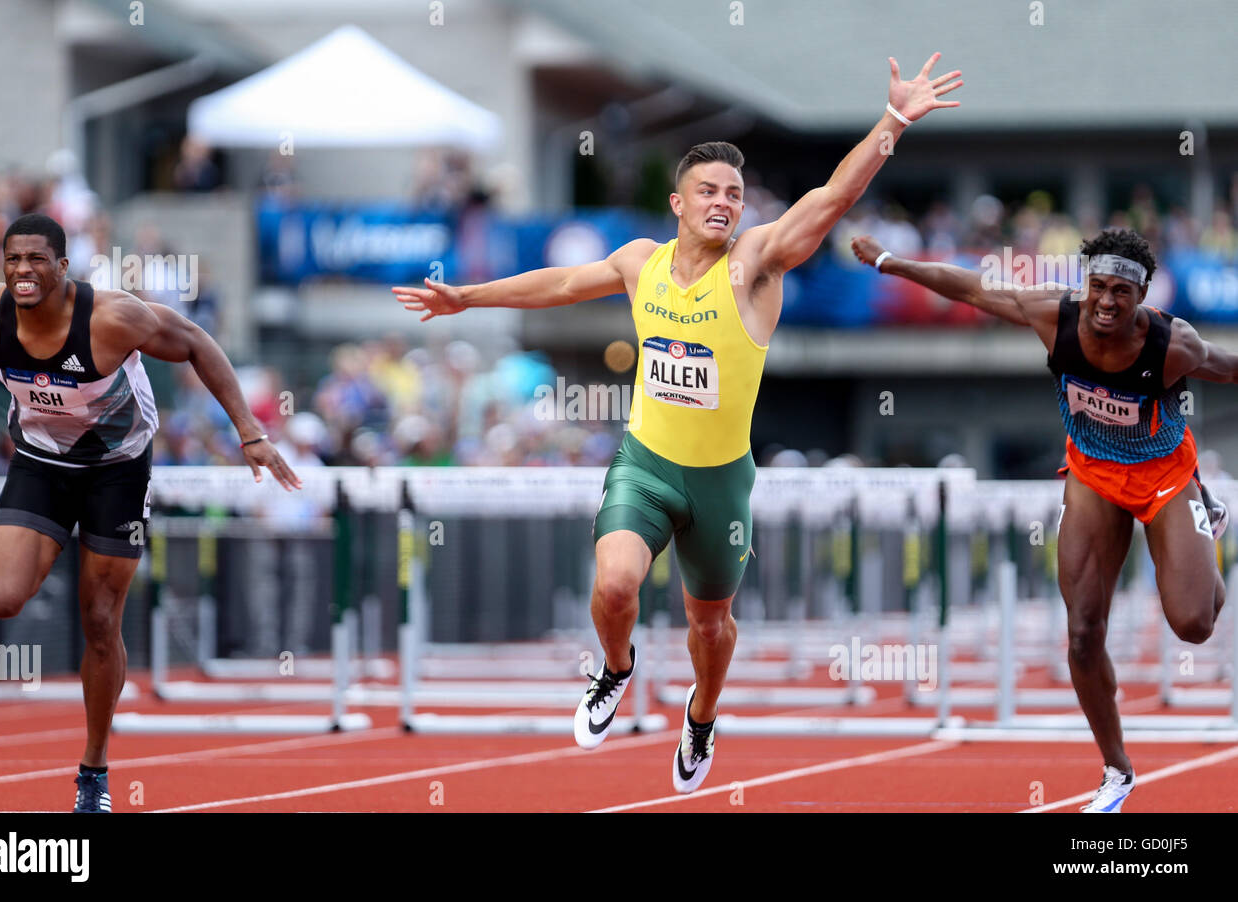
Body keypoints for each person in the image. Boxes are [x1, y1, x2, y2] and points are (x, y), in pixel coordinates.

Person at [396, 54, 963, 793]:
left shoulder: (755, 265)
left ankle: (702, 713)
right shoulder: (641, 263)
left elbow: (827, 199)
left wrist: (892, 122)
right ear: (678, 202)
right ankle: (616, 669)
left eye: (733, 192)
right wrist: (468, 298)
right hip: (647, 464)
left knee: (708, 626)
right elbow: (564, 284)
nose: (723, 202)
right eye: (708, 191)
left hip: (722, 482)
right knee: (616, 585)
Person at [850, 227, 1231, 812]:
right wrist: (890, 261)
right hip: (1092, 474)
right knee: (1081, 632)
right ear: (1086, 284)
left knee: (1194, 625)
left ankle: (1204, 519)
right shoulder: (1053, 315)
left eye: (1120, 293)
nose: (1106, 301)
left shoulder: (1173, 344)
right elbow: (973, 289)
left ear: (1143, 295)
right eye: (1098, 287)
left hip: (1165, 477)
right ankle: (1117, 770)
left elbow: (1228, 368)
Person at [0, 213, 301, 812]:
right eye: (13, 260)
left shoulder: (113, 318)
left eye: (36, 259)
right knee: (4, 597)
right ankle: (52, 544)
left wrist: (249, 433)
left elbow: (196, 341)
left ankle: (93, 770)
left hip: (117, 468)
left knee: (99, 619)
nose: (22, 271)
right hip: (42, 462)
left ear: (63, 267)